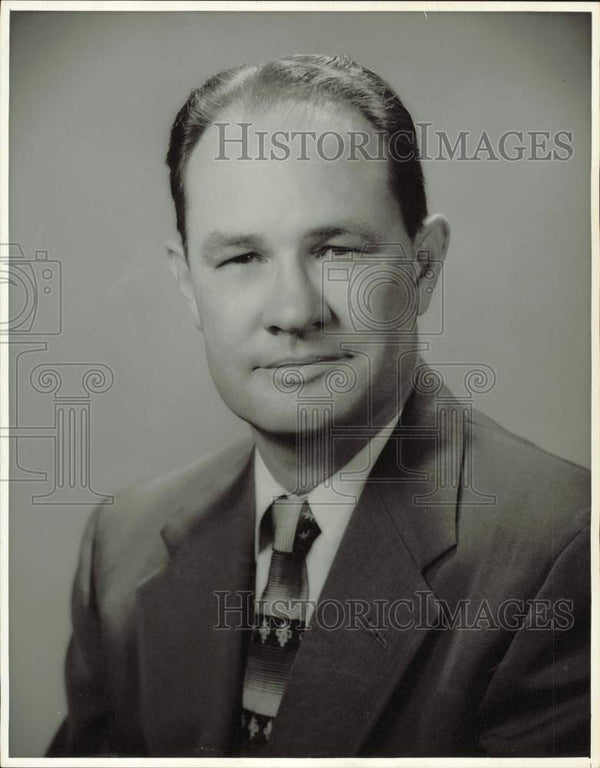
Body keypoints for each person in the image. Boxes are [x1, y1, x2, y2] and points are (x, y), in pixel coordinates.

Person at [47, 54, 590, 758]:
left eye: (336, 249)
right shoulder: (121, 550)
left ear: (422, 267)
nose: (295, 311)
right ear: (188, 286)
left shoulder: (566, 554)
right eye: (241, 259)